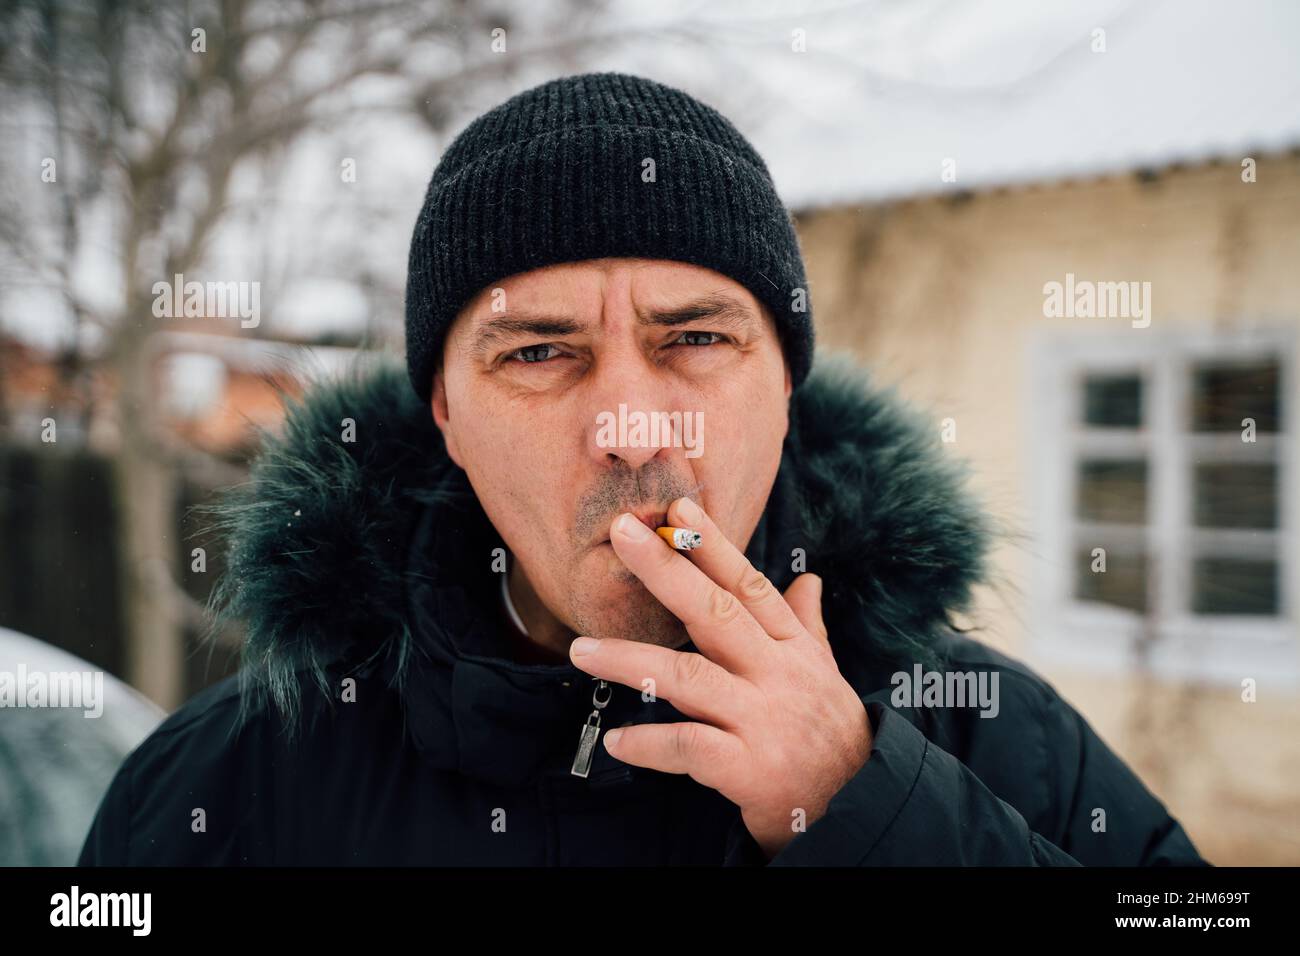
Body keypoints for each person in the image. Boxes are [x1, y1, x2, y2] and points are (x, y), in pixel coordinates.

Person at [79, 71, 1208, 866]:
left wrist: (865, 807)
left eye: (698, 339)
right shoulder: (222, 790)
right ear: (447, 416)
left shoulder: (997, 740)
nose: (628, 423)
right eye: (537, 352)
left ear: (784, 393)